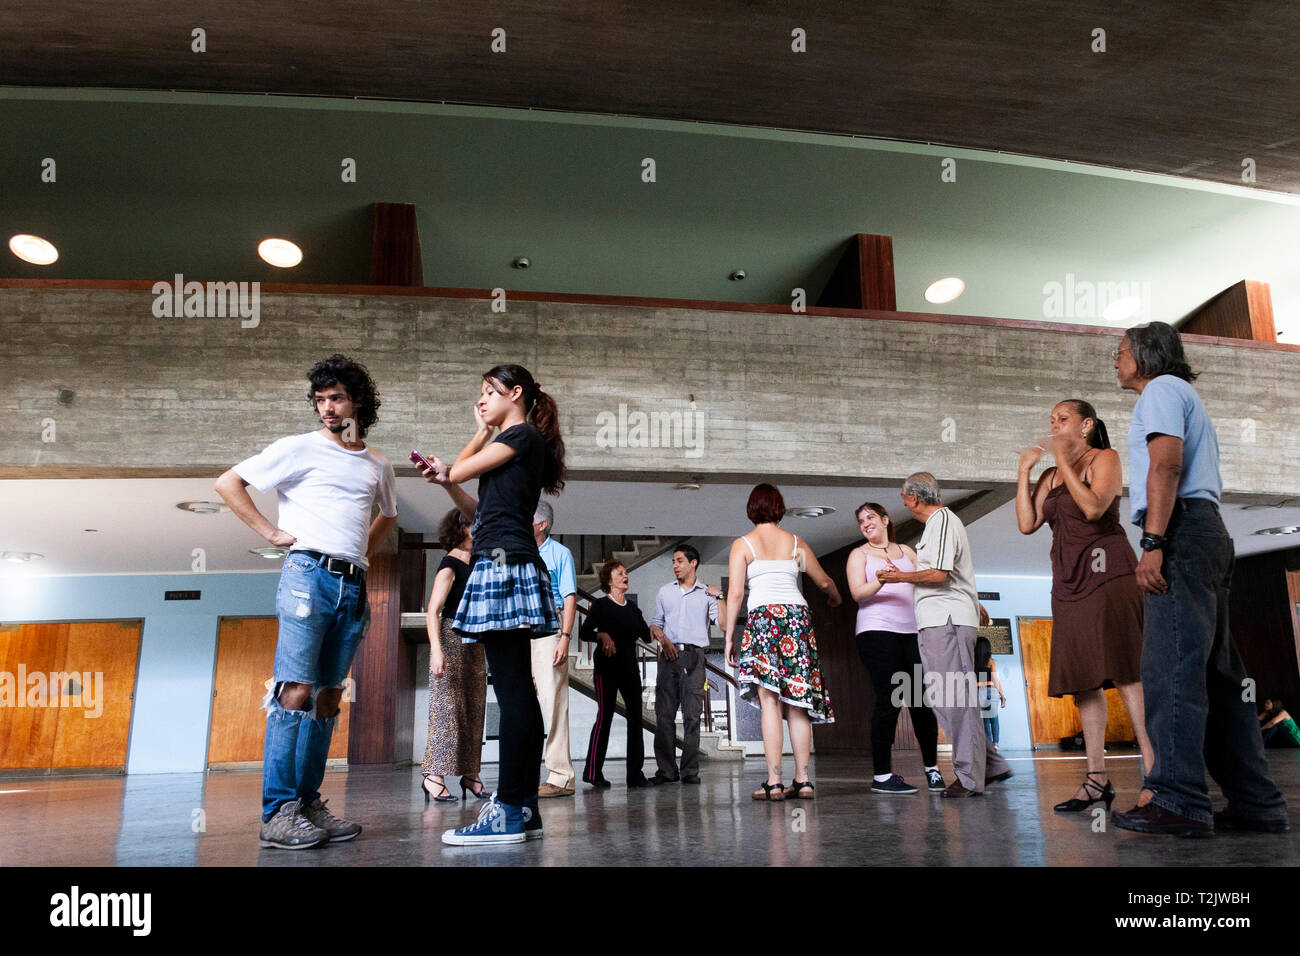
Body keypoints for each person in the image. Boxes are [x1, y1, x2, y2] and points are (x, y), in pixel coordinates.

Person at [1110, 323, 1289, 836]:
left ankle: (1178, 802)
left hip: (1181, 534)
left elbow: (1165, 466)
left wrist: (1153, 543)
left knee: (1171, 674)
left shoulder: (1162, 389)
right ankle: (1258, 804)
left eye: (1120, 352)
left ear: (1145, 356)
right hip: (1206, 533)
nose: (1115, 361)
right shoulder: (1184, 393)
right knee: (1221, 680)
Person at [215, 354, 397, 849]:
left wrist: (359, 552)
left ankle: (310, 804)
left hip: (352, 582)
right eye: (320, 400)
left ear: (359, 401)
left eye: (336, 398)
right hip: (306, 574)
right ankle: (278, 812)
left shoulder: (379, 464)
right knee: (294, 690)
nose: (328, 409)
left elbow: (388, 516)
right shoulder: (298, 448)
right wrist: (271, 531)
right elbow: (228, 483)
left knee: (328, 696)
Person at [418, 363, 566, 845]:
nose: (481, 400)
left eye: (489, 392)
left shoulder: (521, 436)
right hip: (504, 559)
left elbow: (456, 469)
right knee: (517, 686)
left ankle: (508, 807)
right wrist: (449, 478)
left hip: (505, 568)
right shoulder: (516, 447)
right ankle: (522, 808)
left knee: (513, 689)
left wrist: (475, 437)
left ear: (516, 393)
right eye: (480, 395)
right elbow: (476, 512)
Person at [1015, 398, 1153, 813]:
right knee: (1083, 680)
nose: (1054, 425)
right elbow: (1026, 524)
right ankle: (1096, 781)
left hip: (1109, 572)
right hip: (1068, 581)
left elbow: (1094, 508)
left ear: (1087, 424)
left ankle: (1158, 775)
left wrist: (1064, 461)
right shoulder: (1050, 475)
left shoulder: (1104, 458)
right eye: (1051, 420)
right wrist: (1025, 470)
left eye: (1063, 419)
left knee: (1127, 671)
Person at [879, 472, 1012, 797]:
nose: (903, 501)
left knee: (953, 698)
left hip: (945, 621)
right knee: (951, 697)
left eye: (903, 496)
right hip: (945, 618)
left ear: (914, 498)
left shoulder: (940, 521)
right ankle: (992, 765)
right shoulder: (944, 523)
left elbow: (939, 574)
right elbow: (956, 572)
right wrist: (974, 601)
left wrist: (898, 577)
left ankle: (969, 779)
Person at [726, 483, 841, 801]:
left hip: (763, 620)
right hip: (796, 620)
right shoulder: (795, 543)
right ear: (779, 508)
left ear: (751, 508)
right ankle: (803, 781)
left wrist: (728, 638)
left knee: (769, 702)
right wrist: (834, 597)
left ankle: (774, 782)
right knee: (798, 703)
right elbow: (823, 581)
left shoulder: (743, 544)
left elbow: (735, 593)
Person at [845, 501, 944, 795]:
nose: (866, 523)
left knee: (920, 701)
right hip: (876, 631)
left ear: (886, 520)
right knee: (889, 699)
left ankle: (932, 770)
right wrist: (879, 579)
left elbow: (927, 584)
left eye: (871, 517)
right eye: (861, 521)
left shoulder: (907, 552)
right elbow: (857, 593)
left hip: (911, 632)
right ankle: (882, 775)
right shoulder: (858, 554)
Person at [421, 508, 488, 803]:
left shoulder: (478, 561)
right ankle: (433, 776)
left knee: (474, 709)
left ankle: (470, 773)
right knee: (447, 710)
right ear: (461, 528)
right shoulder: (450, 563)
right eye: (474, 523)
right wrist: (436, 649)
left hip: (476, 639)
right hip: (450, 637)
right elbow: (433, 611)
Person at [648, 545, 726, 785]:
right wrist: (663, 640)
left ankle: (690, 772)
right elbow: (654, 625)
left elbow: (723, 624)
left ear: (693, 563)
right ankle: (667, 771)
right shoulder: (664, 592)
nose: (675, 566)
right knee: (664, 716)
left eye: (679, 561)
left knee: (692, 717)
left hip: (694, 658)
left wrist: (720, 596)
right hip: (668, 658)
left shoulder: (707, 594)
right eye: (673, 561)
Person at [580, 559, 652, 788]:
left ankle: (635, 774)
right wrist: (601, 636)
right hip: (606, 669)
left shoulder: (632, 608)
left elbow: (647, 636)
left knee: (635, 719)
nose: (625, 576)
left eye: (626, 572)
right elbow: (584, 633)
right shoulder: (601, 606)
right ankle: (592, 772)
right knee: (605, 716)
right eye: (620, 573)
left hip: (630, 669)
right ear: (610, 580)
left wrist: (658, 629)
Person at [532, 500, 578, 798]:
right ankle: (525, 772)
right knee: (524, 705)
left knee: (553, 704)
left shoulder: (560, 554)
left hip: (550, 630)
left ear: (541, 524)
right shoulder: (518, 551)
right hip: (520, 630)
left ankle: (561, 776)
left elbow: (570, 596)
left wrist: (565, 637)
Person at [974, 636, 1006, 751]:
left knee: (985, 720)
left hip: (978, 692)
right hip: (990, 690)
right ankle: (995, 743)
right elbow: (995, 680)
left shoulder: (973, 662)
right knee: (994, 718)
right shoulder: (990, 662)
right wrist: (1002, 695)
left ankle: (989, 745)